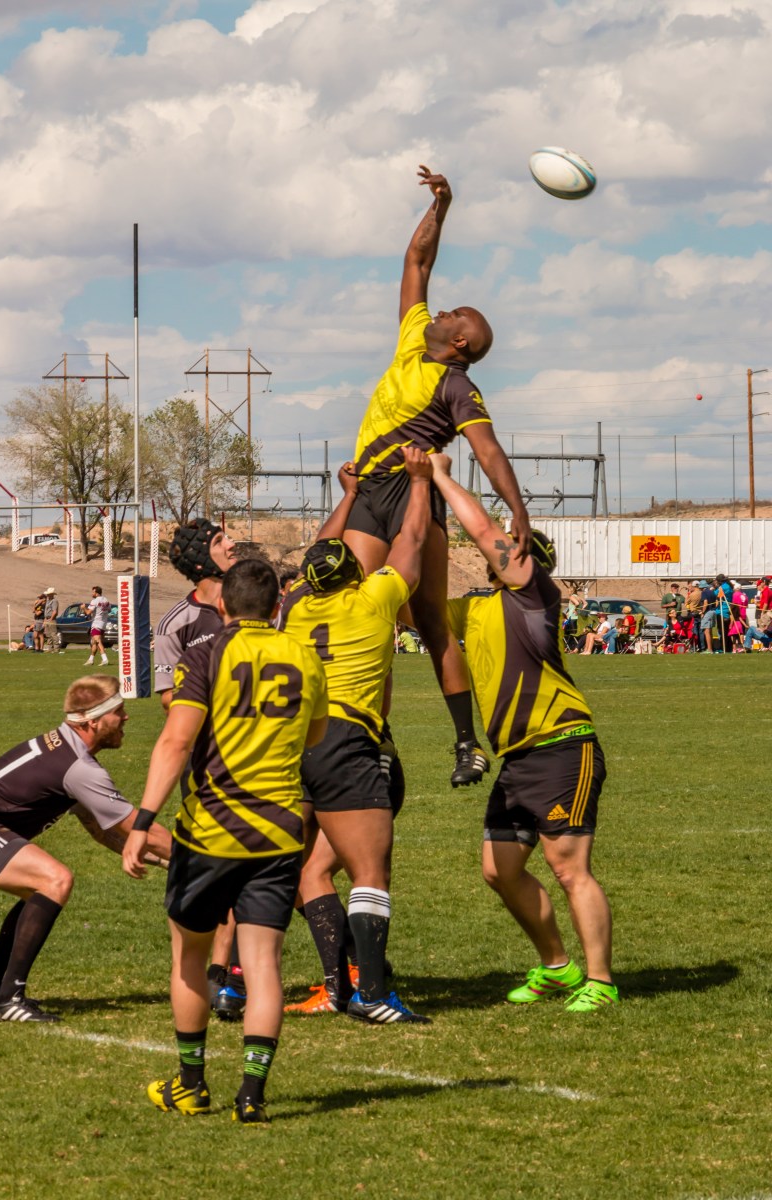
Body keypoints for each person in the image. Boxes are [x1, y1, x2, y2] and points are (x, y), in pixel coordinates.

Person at [343, 165, 531, 790]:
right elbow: (416, 261)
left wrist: (518, 510)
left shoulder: (456, 385)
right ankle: (377, 742)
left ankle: (466, 744)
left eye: (452, 315)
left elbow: (489, 451)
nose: (440, 308)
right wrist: (443, 205)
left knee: (427, 622)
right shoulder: (410, 342)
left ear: (460, 343)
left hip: (412, 493)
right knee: (361, 612)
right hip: (368, 491)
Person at [122, 558, 328, 1124]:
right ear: (278, 606)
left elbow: (174, 742)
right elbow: (315, 733)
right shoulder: (305, 656)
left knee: (189, 957)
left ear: (221, 606)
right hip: (280, 832)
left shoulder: (205, 654)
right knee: (263, 964)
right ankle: (252, 1095)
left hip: (212, 831)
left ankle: (191, 1085)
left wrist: (142, 822)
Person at [431, 453, 617, 1013]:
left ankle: (601, 980)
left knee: (568, 868)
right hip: (517, 759)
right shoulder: (479, 608)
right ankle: (558, 967)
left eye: (512, 545)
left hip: (563, 744)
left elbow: (486, 530)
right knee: (500, 869)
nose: (500, 546)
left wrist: (440, 476)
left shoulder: (535, 595)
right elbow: (416, 611)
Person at [279, 448, 432, 1024]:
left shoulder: (294, 608)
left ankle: (337, 986)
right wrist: (418, 483)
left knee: (311, 870)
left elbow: (317, 556)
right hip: (348, 740)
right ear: (356, 575)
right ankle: (371, 994)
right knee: (371, 874)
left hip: (299, 744)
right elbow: (411, 544)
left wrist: (349, 495)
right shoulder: (373, 599)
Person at [0, 675, 172, 1023]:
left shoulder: (68, 750)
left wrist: (167, 862)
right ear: (93, 721)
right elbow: (137, 826)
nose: (126, 718)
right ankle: (8, 999)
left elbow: (102, 830)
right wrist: (203, 858)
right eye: (119, 712)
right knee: (54, 881)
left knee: (38, 889)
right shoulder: (79, 767)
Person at [154, 519, 256, 1021]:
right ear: (199, 560)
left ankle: (226, 974)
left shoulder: (255, 607)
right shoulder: (176, 624)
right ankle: (219, 975)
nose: (231, 543)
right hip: (208, 768)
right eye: (219, 541)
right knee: (218, 870)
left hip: (264, 759)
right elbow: (170, 699)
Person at [85, 586, 110, 666]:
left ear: (96, 593)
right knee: (94, 642)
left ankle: (105, 659)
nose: (92, 593)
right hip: (103, 624)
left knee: (98, 641)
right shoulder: (106, 600)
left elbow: (88, 612)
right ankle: (91, 659)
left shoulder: (95, 601)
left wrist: (83, 608)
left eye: (93, 592)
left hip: (96, 624)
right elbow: (109, 610)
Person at [43, 586, 60, 654]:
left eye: (48, 594)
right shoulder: (48, 601)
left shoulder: (54, 601)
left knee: (53, 634)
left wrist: (51, 619)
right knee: (48, 634)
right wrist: (45, 619)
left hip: (51, 619)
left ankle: (56, 648)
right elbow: (46, 611)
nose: (47, 595)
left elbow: (54, 611)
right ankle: (50, 648)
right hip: (47, 619)